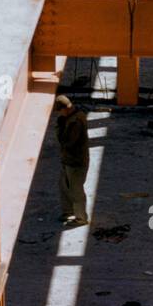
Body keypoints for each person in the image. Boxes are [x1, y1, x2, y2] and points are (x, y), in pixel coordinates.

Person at [54, 95, 90, 228]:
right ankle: (68, 212)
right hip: (68, 160)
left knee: (76, 189)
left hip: (76, 162)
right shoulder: (73, 117)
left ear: (65, 109)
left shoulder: (75, 121)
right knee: (64, 186)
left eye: (59, 111)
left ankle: (81, 218)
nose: (59, 114)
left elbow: (67, 142)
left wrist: (59, 128)